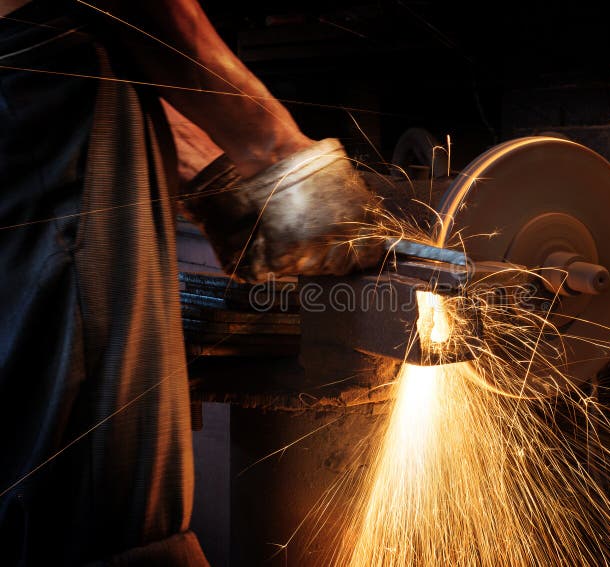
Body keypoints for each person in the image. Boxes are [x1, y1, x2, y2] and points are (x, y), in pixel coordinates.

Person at [0, 0, 381, 564]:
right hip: (37, 112)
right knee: (101, 491)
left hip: (26, 90)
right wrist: (279, 153)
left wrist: (214, 172)